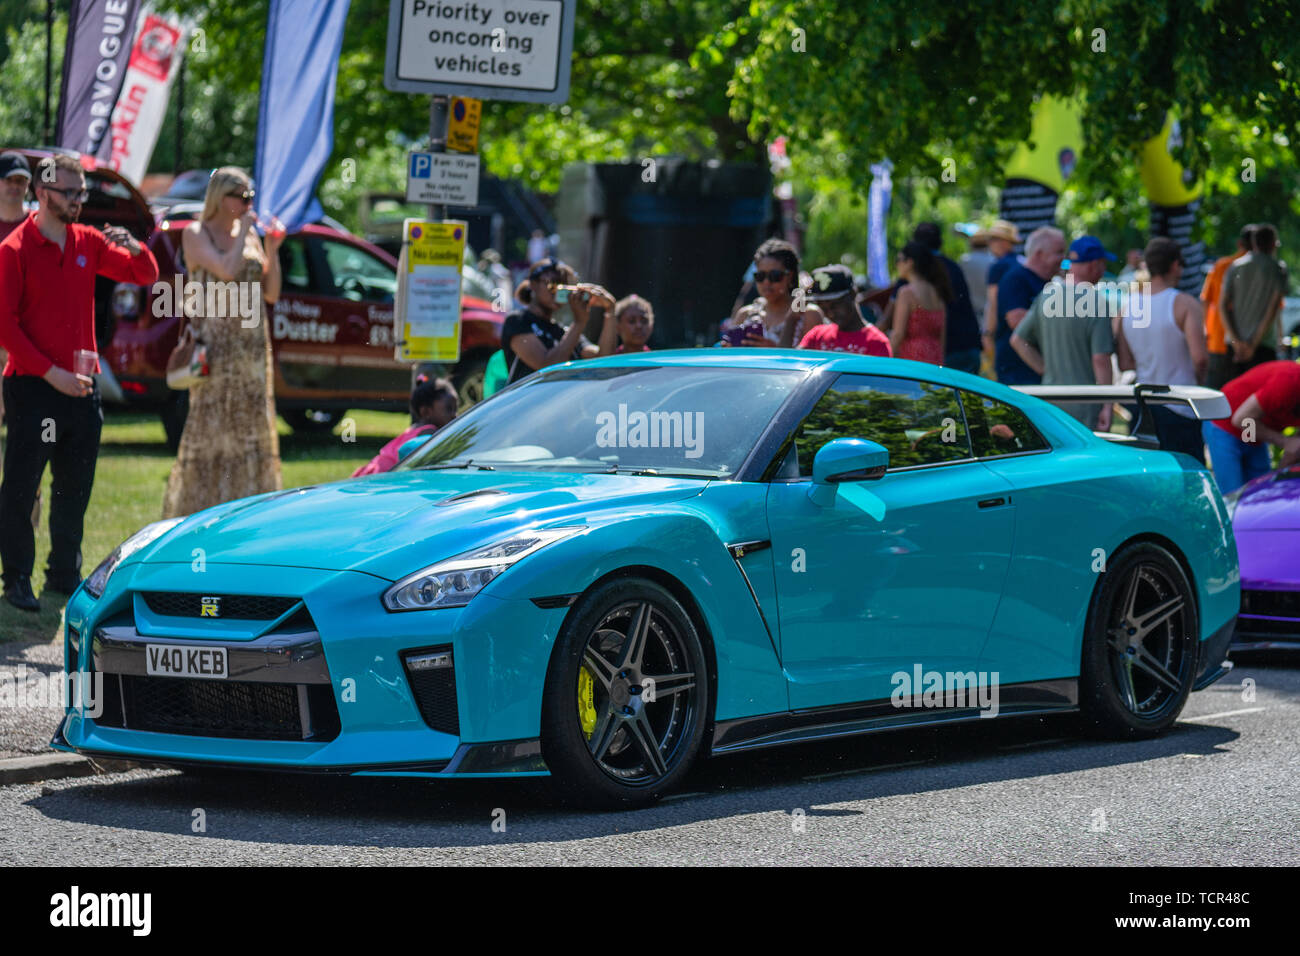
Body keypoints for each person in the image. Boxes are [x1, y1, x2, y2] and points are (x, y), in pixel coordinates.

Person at [0, 154, 159, 611]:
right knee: (21, 485)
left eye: (82, 192)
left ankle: (63, 575)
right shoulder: (14, 248)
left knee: (75, 486)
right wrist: (52, 374)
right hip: (34, 386)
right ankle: (15, 579)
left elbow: (145, 274)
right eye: (70, 192)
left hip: (81, 389)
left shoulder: (87, 240)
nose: (78, 200)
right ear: (43, 192)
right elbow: (6, 327)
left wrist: (134, 245)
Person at [161, 167, 284, 519]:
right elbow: (226, 271)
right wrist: (246, 229)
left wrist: (272, 249)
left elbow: (271, 293)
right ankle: (201, 511)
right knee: (211, 425)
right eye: (241, 197)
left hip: (251, 346)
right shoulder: (195, 234)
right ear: (220, 197)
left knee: (250, 426)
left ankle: (249, 509)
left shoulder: (250, 236)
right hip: (215, 346)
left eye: (251, 198)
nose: (248, 204)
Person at [1010, 236, 1117, 431]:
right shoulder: (1096, 301)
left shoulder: (1047, 295)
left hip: (1050, 400)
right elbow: (1100, 359)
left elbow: (1017, 340)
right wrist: (1108, 405)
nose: (1103, 271)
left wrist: (1045, 369)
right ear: (1094, 265)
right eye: (1103, 264)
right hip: (1085, 404)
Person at [1115, 237, 1208, 459]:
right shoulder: (1184, 304)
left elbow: (1125, 363)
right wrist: (1199, 384)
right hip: (1181, 405)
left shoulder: (1127, 306)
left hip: (1144, 407)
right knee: (1189, 479)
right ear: (1175, 265)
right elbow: (1201, 359)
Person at [499, 257, 617, 386]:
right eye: (552, 285)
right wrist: (579, 323)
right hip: (528, 404)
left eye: (564, 287)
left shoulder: (563, 332)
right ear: (533, 284)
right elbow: (547, 367)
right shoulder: (517, 320)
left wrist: (610, 311)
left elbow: (604, 360)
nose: (558, 292)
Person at [1203, 360, 1300, 493]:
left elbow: (1294, 449)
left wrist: (1280, 479)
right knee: (1233, 495)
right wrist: (1285, 441)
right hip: (1225, 423)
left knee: (1261, 494)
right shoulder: (1289, 381)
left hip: (1254, 431)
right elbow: (1241, 419)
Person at [995, 226, 1065, 385]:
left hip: (1040, 374)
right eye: (1059, 252)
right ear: (1040, 254)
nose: (1063, 258)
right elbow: (1017, 322)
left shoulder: (1051, 283)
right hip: (1019, 374)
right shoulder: (1016, 279)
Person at [722, 239, 824, 346]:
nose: (766, 282)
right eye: (760, 276)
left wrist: (772, 350)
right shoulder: (745, 315)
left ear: (790, 276)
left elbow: (814, 360)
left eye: (775, 276)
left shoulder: (808, 315)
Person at [1219, 223, 1288, 379]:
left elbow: (1222, 305)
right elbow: (1272, 308)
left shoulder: (1235, 266)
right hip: (1262, 345)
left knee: (1234, 397)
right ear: (1273, 244)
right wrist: (1253, 344)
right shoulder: (1278, 269)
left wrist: (1237, 342)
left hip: (1235, 347)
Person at [352, 376, 458, 477]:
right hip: (382, 476)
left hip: (375, 471)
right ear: (426, 412)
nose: (455, 415)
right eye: (449, 409)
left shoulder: (414, 428)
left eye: (456, 409)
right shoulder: (428, 432)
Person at [912, 222, 982, 374]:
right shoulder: (953, 267)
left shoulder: (917, 271)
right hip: (969, 346)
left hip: (944, 353)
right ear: (940, 242)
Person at [1201, 225, 1255, 390]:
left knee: (1214, 397)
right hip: (1248, 345)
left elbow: (1205, 300)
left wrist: (1206, 332)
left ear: (1240, 243)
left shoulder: (1222, 266)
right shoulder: (1260, 270)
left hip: (1218, 342)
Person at [798, 264, 892, 355]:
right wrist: (792, 318)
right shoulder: (816, 337)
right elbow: (791, 363)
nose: (830, 314)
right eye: (823, 308)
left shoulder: (876, 343)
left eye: (835, 305)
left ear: (853, 294)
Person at [891, 241, 950, 364]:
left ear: (910, 263)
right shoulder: (937, 292)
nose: (897, 264)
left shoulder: (906, 293)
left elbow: (898, 334)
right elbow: (942, 338)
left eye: (899, 259)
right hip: (935, 361)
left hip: (913, 362)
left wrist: (883, 359)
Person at [982, 219, 1022, 360]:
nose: (990, 243)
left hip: (1004, 333)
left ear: (1005, 241)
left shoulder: (998, 267)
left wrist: (987, 334)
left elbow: (993, 303)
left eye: (993, 239)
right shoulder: (1022, 262)